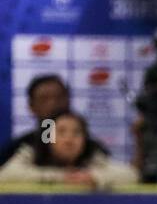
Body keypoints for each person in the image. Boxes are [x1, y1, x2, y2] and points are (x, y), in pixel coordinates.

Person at [0, 110, 138, 188]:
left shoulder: (91, 155)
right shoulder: (32, 151)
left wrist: (94, 178)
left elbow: (131, 175)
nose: (69, 139)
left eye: (77, 133)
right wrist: (62, 177)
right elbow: (5, 175)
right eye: (61, 132)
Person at [1, 75, 109, 167]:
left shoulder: (89, 147)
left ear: (68, 101)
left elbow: (117, 173)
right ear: (31, 106)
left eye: (59, 97)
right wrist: (64, 177)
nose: (53, 104)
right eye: (44, 99)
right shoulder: (20, 148)